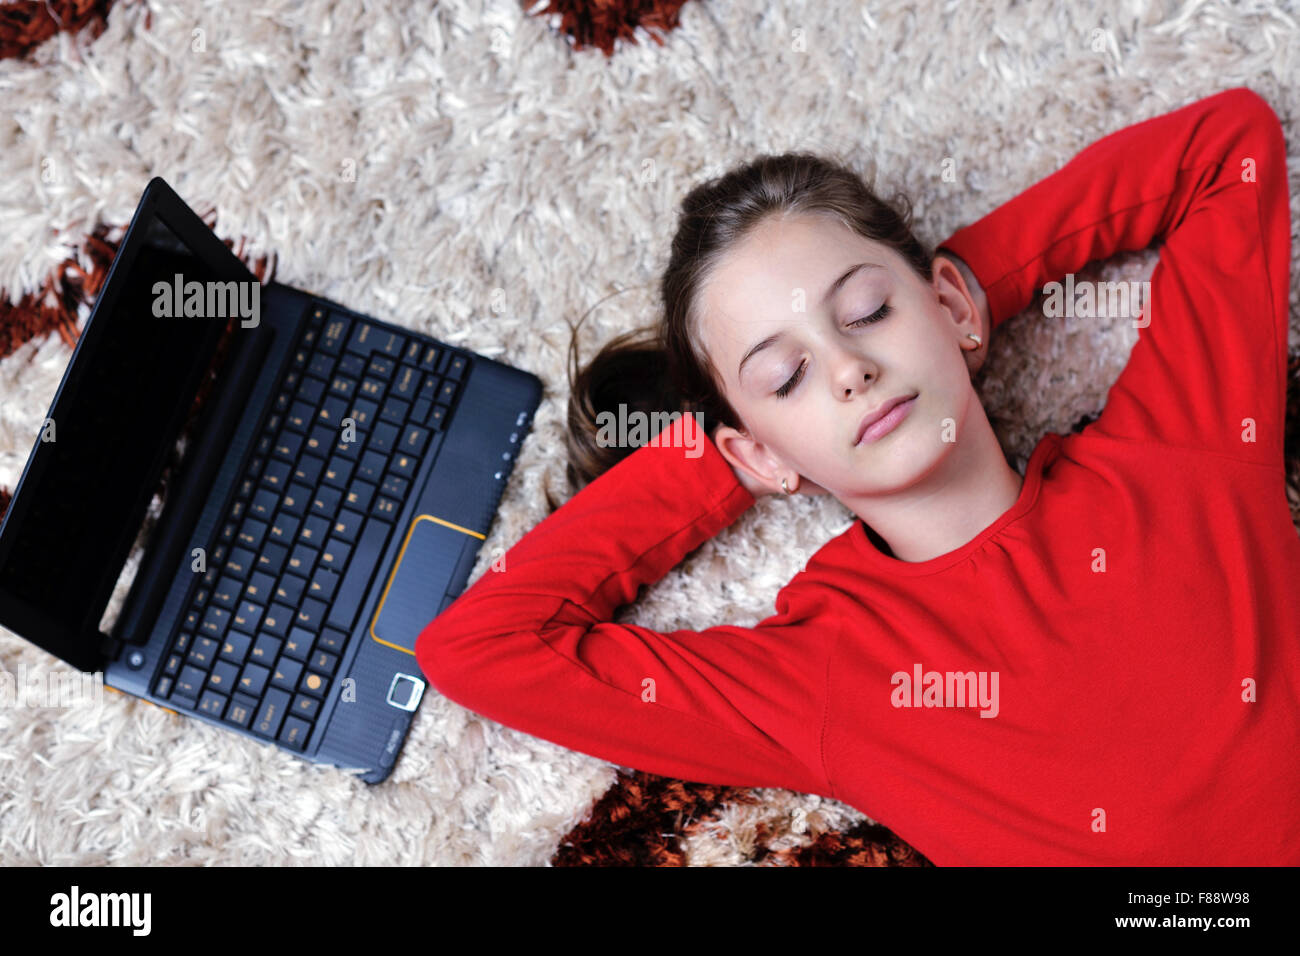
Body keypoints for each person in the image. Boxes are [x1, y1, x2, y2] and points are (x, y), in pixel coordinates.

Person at [415, 86, 1300, 865]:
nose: (848, 368)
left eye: (868, 311)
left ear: (948, 303)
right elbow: (481, 649)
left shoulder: (1180, 451)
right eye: (785, 377)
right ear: (759, 450)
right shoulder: (828, 675)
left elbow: (1228, 149)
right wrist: (736, 457)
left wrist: (967, 299)